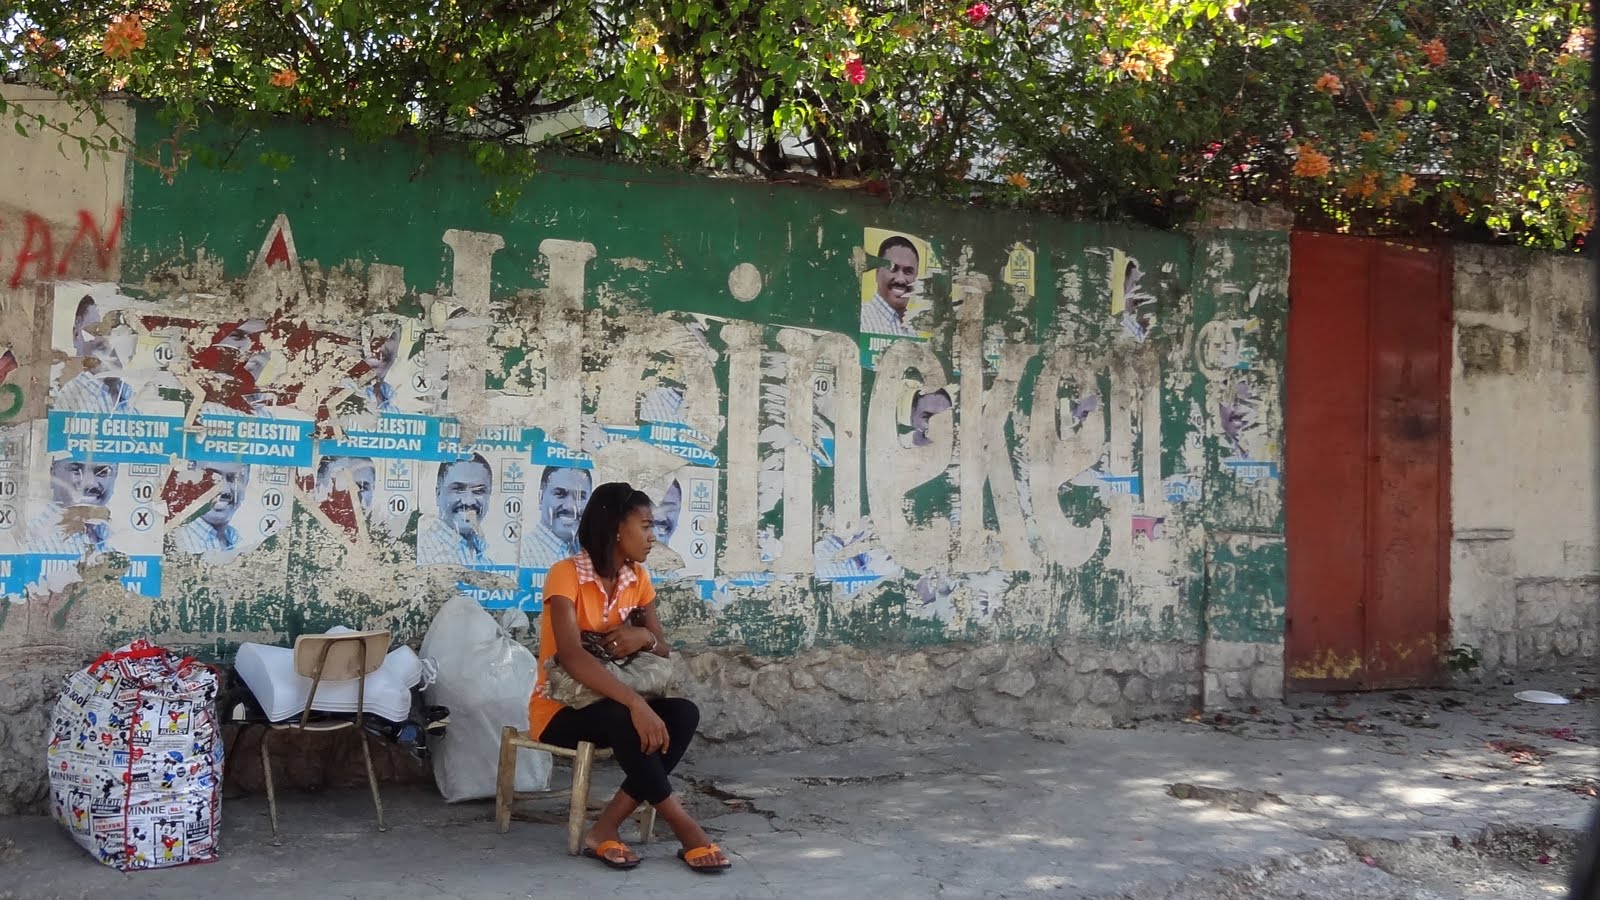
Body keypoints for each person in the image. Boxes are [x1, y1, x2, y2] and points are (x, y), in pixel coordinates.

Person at [529, 482, 731, 873]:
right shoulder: (566, 574)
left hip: (613, 701)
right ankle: (686, 829)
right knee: (625, 718)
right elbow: (570, 655)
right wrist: (637, 703)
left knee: (683, 713)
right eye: (646, 526)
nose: (653, 536)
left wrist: (643, 636)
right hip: (561, 709)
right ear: (616, 529)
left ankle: (604, 827)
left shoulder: (637, 578)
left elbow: (662, 649)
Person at [56, 295, 134, 414]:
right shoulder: (64, 400)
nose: (106, 340)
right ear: (76, 335)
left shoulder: (132, 397)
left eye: (118, 330)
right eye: (95, 330)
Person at [26, 458, 118, 555]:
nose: (90, 483)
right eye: (76, 471)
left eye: (102, 472)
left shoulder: (114, 539)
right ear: (53, 475)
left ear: (115, 475)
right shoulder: (31, 540)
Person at [417, 454, 492, 566]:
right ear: (438, 494)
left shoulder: (489, 562)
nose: (468, 501)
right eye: (458, 489)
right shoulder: (419, 554)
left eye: (479, 491)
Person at [519, 465, 591, 570]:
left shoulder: (590, 552)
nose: (569, 506)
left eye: (580, 497)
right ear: (541, 497)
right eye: (560, 494)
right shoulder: (524, 554)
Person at [172, 462, 249, 554]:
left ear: (246, 481)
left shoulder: (238, 540)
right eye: (212, 477)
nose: (225, 490)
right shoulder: (174, 543)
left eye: (233, 478)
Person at [859, 235, 920, 337]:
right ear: (877, 273)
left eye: (908, 271)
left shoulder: (911, 330)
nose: (900, 279)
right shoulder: (861, 320)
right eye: (892, 269)